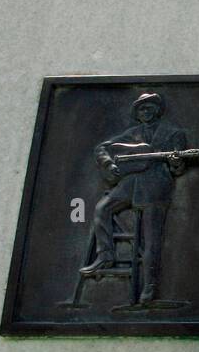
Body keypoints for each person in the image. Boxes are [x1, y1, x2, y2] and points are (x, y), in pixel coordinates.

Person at [80, 92, 190, 304]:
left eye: (149, 108)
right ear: (137, 114)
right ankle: (105, 255)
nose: (145, 112)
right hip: (130, 184)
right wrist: (109, 164)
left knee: (151, 240)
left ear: (157, 111)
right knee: (102, 208)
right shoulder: (131, 134)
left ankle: (148, 289)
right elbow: (101, 148)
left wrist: (176, 162)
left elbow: (178, 170)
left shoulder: (173, 134)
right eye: (141, 109)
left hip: (156, 187)